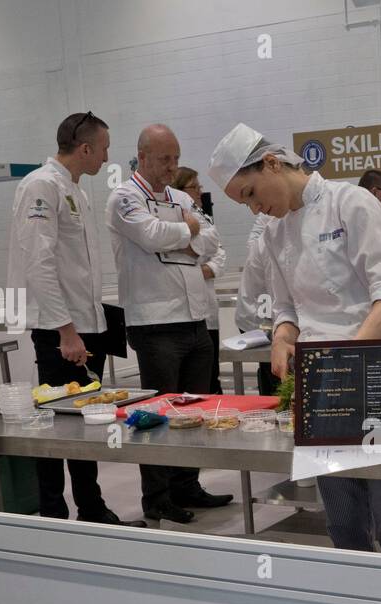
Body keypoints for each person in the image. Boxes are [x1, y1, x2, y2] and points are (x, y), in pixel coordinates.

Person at [210, 123, 381, 554]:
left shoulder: (350, 203)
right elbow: (286, 308)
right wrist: (284, 336)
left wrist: (351, 357)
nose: (254, 209)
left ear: (270, 163)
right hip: (323, 379)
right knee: (342, 518)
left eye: (249, 194)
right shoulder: (273, 231)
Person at [7, 111, 144, 527]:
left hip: (85, 325)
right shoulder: (41, 186)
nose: (107, 156)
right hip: (60, 330)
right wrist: (65, 329)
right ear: (85, 148)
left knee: (86, 423)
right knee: (52, 423)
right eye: (104, 148)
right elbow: (39, 262)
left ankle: (91, 508)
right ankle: (52, 513)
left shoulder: (75, 190)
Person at [107, 125, 233, 522]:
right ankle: (157, 497)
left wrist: (183, 233)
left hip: (196, 321)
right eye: (165, 159)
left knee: (194, 411)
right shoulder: (124, 197)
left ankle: (187, 485)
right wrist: (188, 231)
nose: (172, 166)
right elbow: (150, 236)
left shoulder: (180, 197)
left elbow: (212, 239)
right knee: (158, 416)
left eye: (176, 158)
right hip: (155, 323)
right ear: (142, 156)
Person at [171, 166, 228, 394]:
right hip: (184, 312)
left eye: (199, 187)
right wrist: (194, 259)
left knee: (211, 375)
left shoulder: (203, 216)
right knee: (189, 381)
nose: (199, 192)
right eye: (194, 187)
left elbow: (218, 250)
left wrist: (203, 265)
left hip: (207, 310)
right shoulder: (176, 215)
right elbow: (174, 252)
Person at [234, 213, 280, 396]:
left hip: (270, 314)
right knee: (274, 371)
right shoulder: (268, 242)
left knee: (273, 370)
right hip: (259, 317)